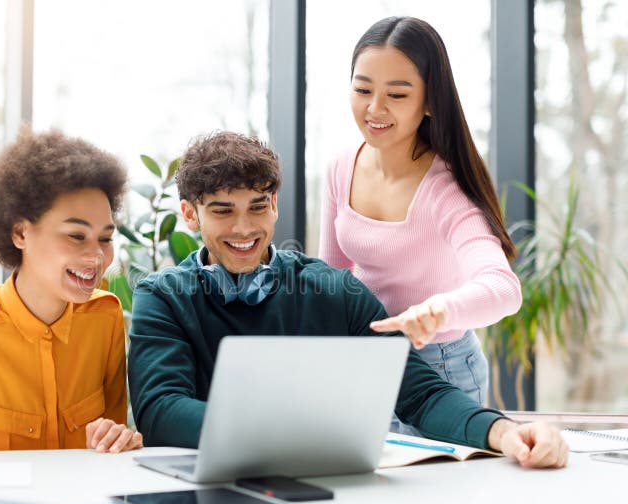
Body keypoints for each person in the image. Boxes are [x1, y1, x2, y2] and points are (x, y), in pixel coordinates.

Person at [128, 130, 567, 469]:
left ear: (275, 204)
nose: (244, 228)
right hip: (212, 490)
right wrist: (289, 433)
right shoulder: (163, 297)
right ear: (190, 214)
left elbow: (421, 394)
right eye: (223, 211)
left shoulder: (335, 291)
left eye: (257, 207)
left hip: (323, 486)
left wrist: (505, 433)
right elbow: (161, 410)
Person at [319, 17, 521, 432]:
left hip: (439, 367)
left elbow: (503, 289)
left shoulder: (446, 190)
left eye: (396, 94)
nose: (375, 109)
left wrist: (438, 311)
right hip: (369, 361)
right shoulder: (341, 168)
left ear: (429, 102)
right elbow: (332, 281)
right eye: (362, 90)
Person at [0, 128, 142, 453]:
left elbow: (107, 453)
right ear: (20, 233)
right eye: (76, 236)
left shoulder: (104, 316)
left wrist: (119, 441)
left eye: (105, 239)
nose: (96, 256)